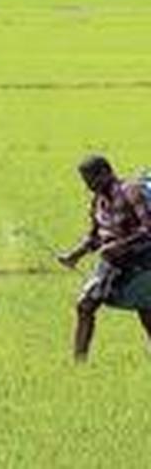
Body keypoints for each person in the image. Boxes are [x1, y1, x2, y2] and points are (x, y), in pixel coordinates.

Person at [57, 155, 151, 362]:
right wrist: (74, 255)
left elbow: (148, 229)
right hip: (111, 263)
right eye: (86, 181)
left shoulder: (131, 192)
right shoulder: (98, 201)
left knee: (146, 311)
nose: (89, 186)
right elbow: (94, 236)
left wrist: (121, 245)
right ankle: (78, 363)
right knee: (85, 305)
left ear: (107, 172)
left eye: (92, 179)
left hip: (142, 261)